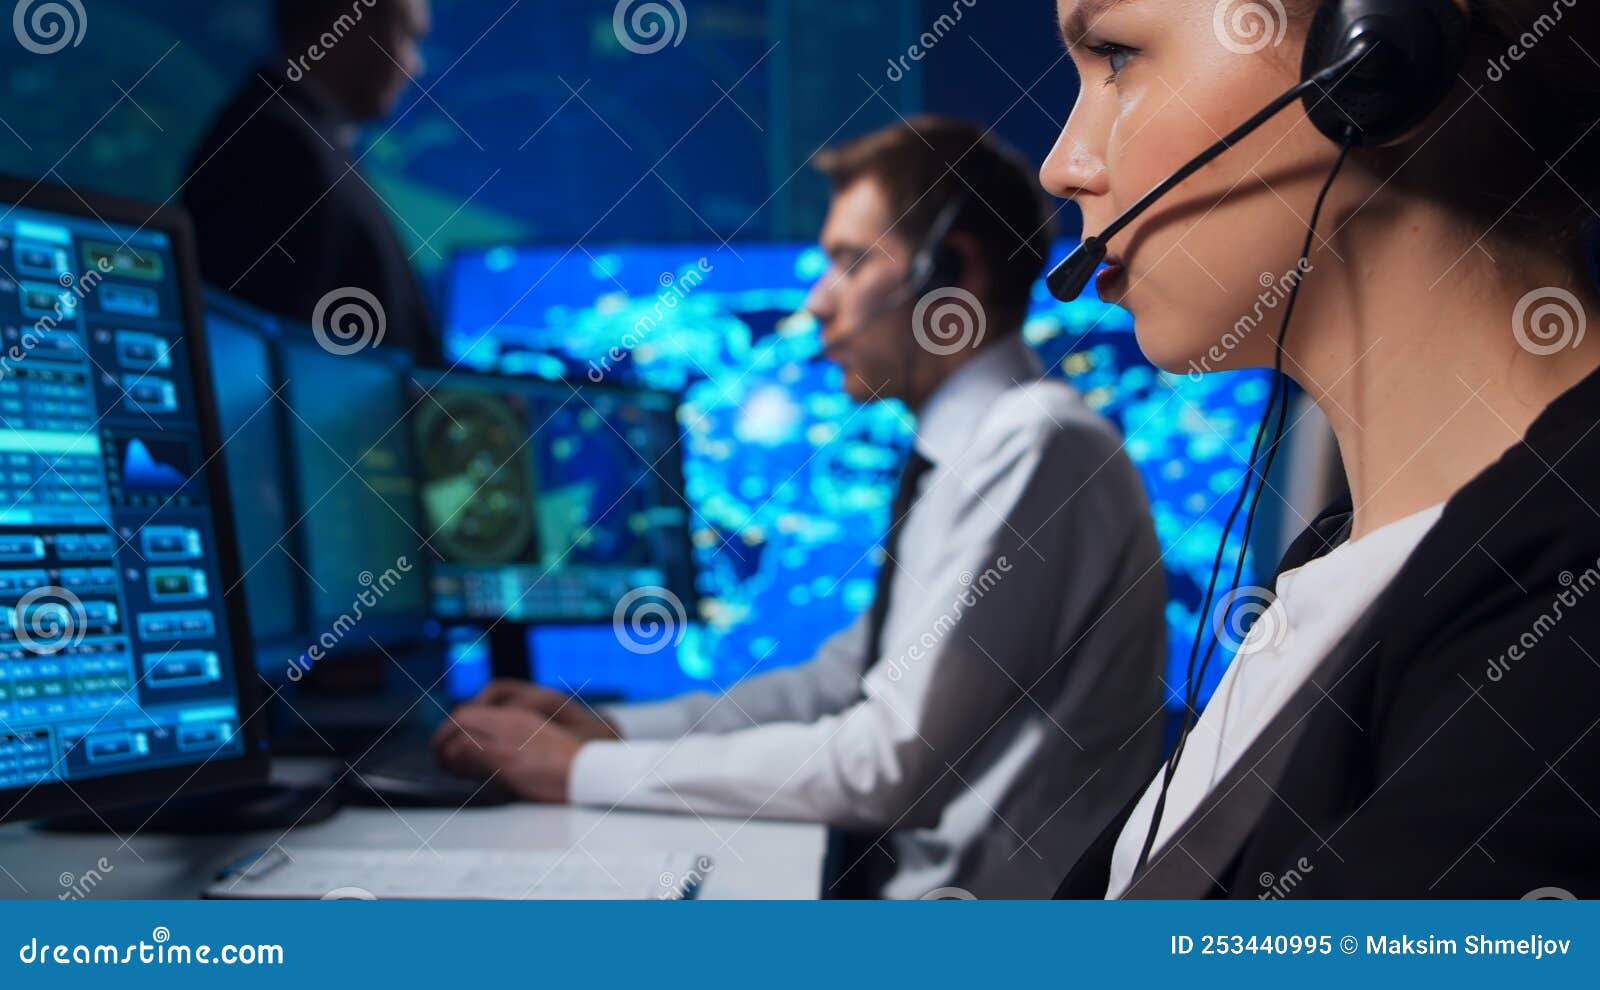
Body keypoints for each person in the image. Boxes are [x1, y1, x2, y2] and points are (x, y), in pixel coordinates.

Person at [432, 116, 1170, 899]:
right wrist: (607, 730)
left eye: (851, 263)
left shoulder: (1037, 446)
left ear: (950, 269)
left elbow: (884, 763)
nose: (819, 303)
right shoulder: (977, 447)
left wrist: (577, 769)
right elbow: (837, 683)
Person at [1043, 0, 1600, 898]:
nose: (1063, 164)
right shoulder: (1348, 576)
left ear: (1379, 53)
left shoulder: (1564, 619)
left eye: (1117, 55)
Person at [182, 0, 441, 361]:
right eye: (408, 35)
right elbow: (266, 368)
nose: (416, 65)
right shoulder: (277, 149)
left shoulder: (303, 139)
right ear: (350, 19)